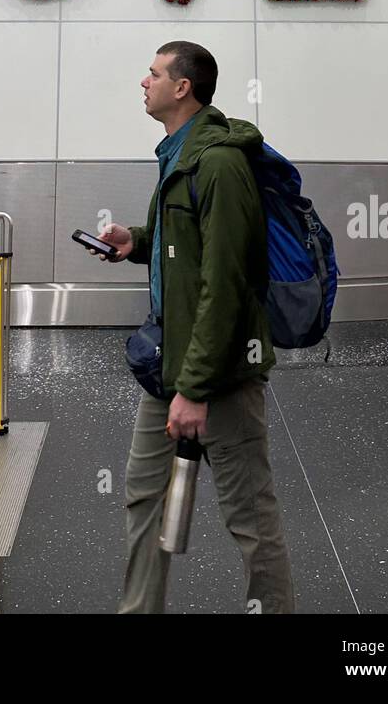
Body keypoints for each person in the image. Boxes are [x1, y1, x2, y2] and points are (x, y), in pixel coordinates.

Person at [92, 40, 295, 614]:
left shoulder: (220, 163)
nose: (143, 81)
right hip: (171, 367)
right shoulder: (176, 154)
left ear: (183, 88)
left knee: (249, 516)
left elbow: (225, 285)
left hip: (218, 373)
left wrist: (197, 389)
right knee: (144, 499)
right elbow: (176, 243)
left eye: (153, 73)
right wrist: (136, 242)